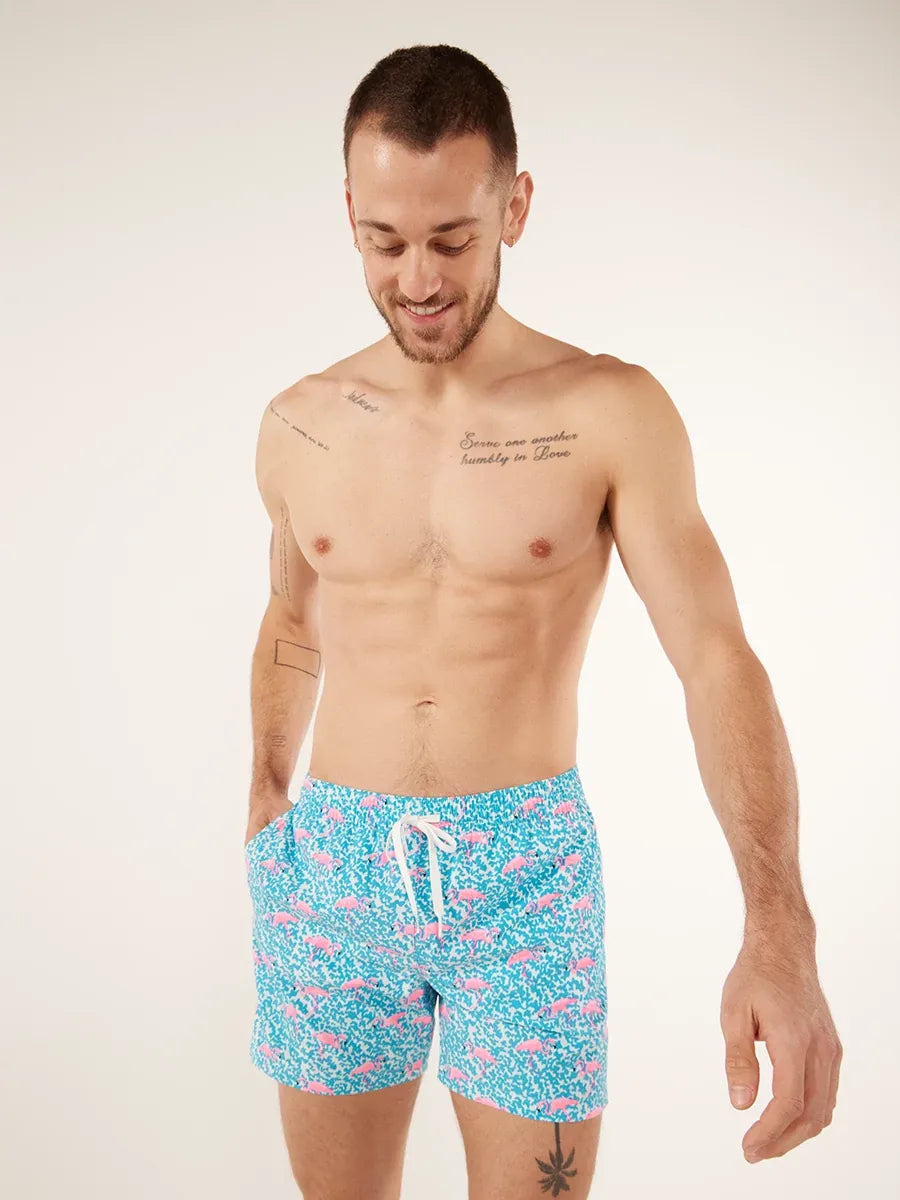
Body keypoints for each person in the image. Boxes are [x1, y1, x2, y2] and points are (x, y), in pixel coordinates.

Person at [243, 42, 842, 1200]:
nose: (419, 278)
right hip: (332, 870)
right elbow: (291, 616)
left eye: (453, 239)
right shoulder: (300, 424)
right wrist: (268, 802)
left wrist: (781, 924)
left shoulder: (608, 412)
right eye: (386, 241)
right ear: (350, 213)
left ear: (515, 207)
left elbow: (715, 656)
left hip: (523, 878)